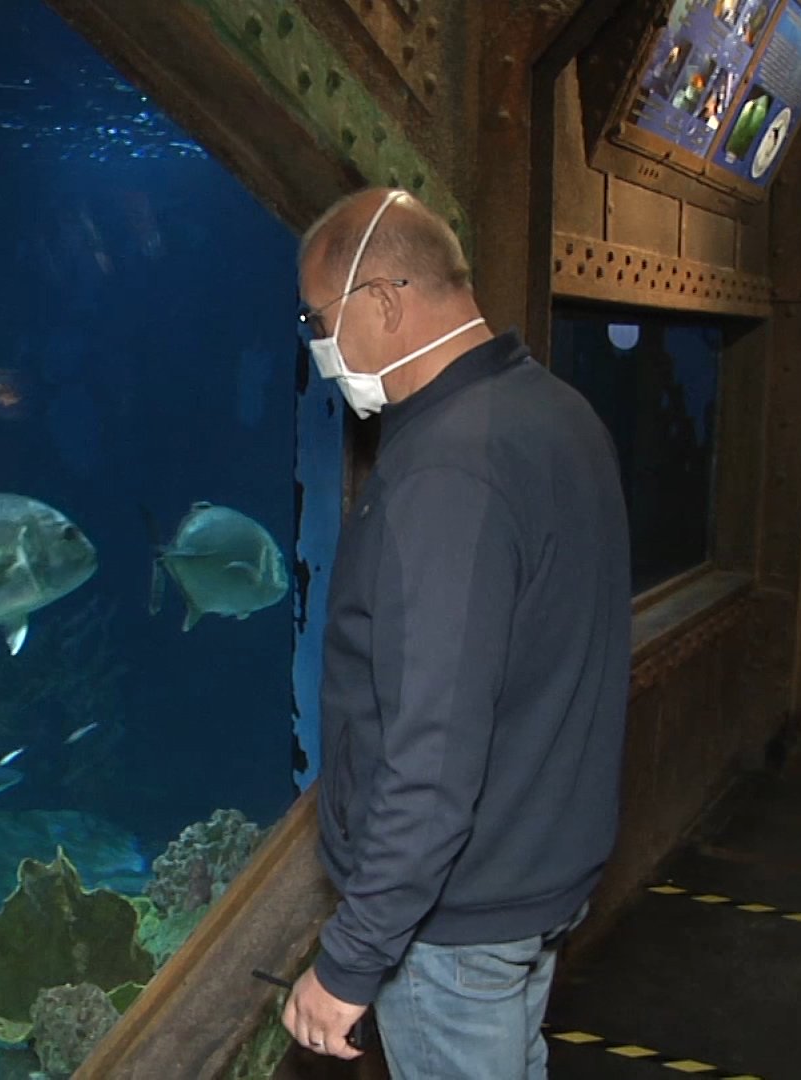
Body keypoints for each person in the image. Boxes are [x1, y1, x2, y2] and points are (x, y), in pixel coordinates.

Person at [280, 187, 632, 1079]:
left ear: (385, 302)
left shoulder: (445, 475)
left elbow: (431, 760)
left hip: (456, 923)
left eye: (320, 321)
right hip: (536, 878)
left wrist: (349, 962)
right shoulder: (557, 413)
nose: (321, 349)